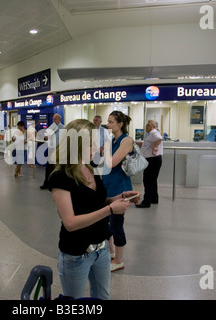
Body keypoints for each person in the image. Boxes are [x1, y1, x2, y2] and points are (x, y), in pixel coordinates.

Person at [48, 119, 140, 300]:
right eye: (91, 144)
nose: (96, 148)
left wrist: (120, 198)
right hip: (76, 253)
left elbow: (98, 202)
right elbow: (70, 223)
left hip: (102, 248)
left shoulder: (90, 168)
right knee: (73, 301)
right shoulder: (60, 177)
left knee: (102, 297)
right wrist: (111, 210)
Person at [102, 111, 134, 272]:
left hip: (119, 187)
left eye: (111, 122)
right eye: (107, 122)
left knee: (116, 224)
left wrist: (104, 151)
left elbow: (113, 162)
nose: (108, 125)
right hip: (106, 185)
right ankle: (110, 252)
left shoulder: (126, 140)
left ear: (120, 124)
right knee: (106, 223)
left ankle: (119, 259)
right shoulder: (112, 140)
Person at [135, 120, 163, 208]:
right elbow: (147, 144)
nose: (146, 127)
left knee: (148, 181)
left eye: (148, 125)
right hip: (154, 160)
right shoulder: (151, 134)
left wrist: (153, 147)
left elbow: (159, 139)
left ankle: (146, 202)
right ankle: (154, 198)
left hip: (152, 160)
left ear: (153, 126)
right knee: (153, 181)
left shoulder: (154, 132)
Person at [39, 113, 65, 189]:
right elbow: (45, 137)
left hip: (58, 151)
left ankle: (56, 184)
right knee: (49, 168)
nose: (53, 120)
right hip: (51, 150)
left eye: (55, 119)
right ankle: (46, 183)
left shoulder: (63, 128)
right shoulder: (52, 127)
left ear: (59, 120)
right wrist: (47, 137)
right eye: (53, 119)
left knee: (57, 169)